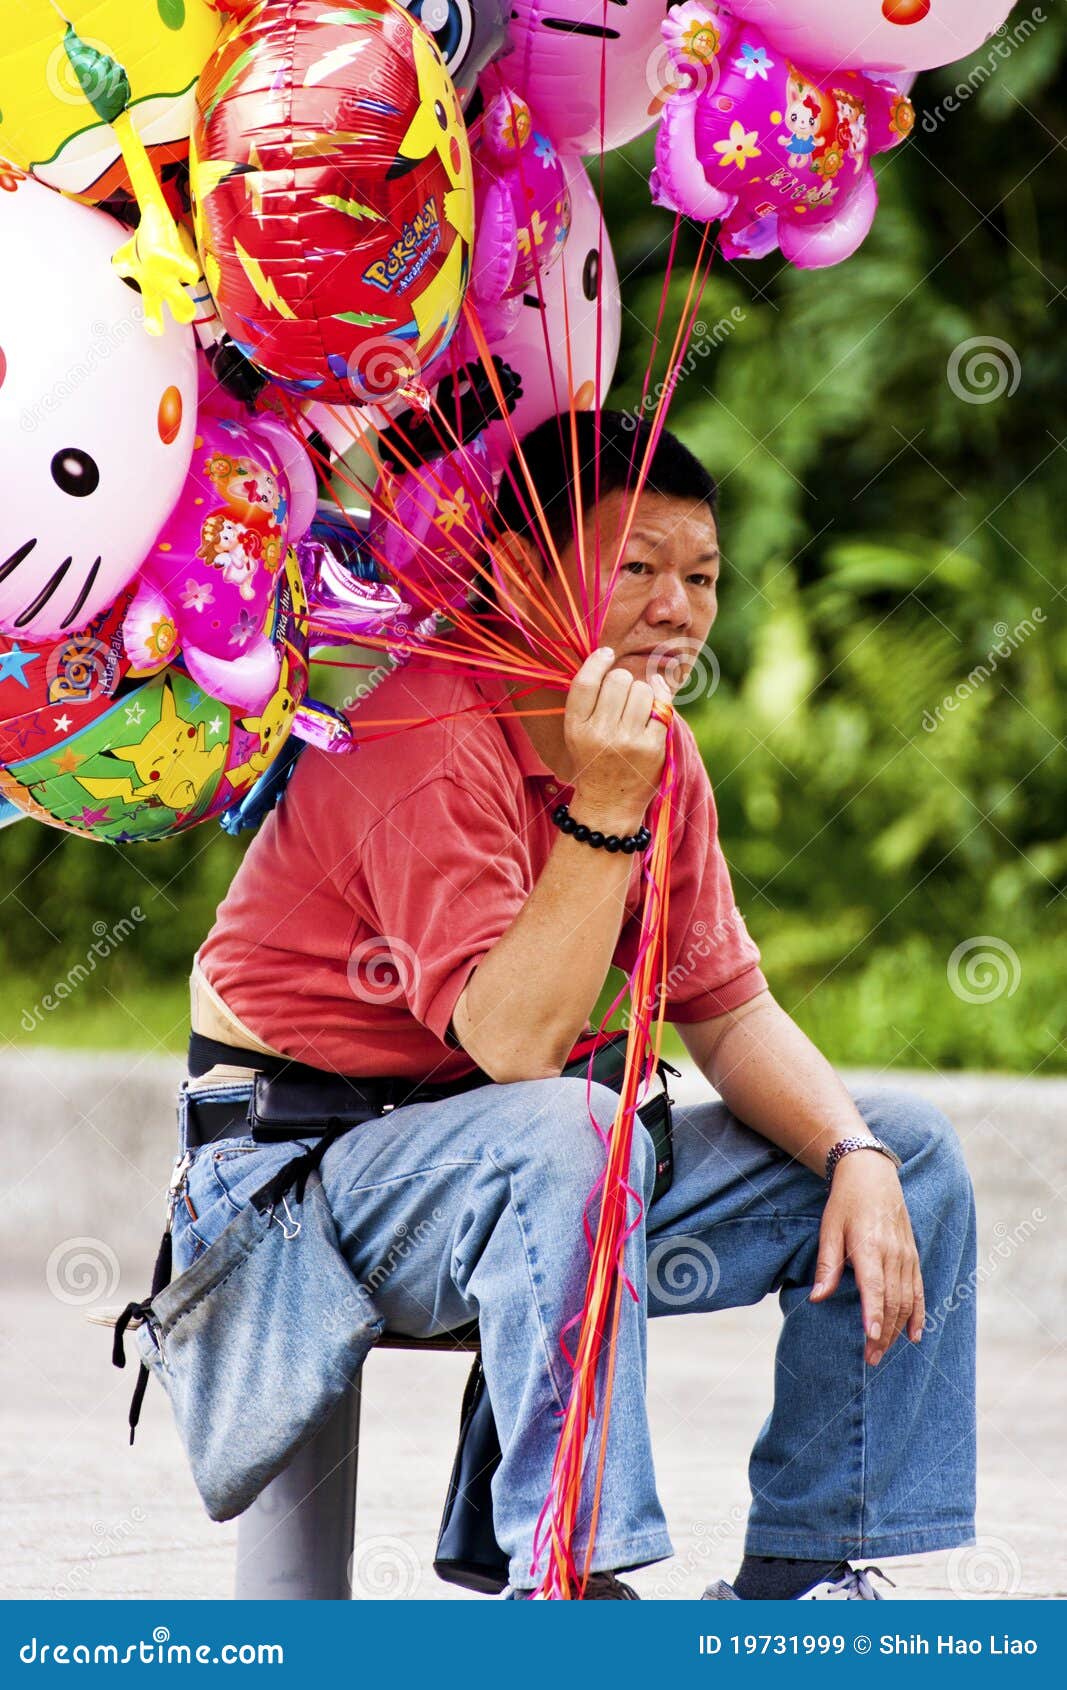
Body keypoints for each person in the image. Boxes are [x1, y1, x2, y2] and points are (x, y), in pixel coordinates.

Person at [177, 409, 977, 1601]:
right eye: (637, 568)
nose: (678, 607)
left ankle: (806, 1578)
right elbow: (517, 1047)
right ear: (517, 571)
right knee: (570, 1128)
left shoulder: (657, 751)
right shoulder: (421, 734)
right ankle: (565, 1578)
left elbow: (729, 1011)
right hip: (303, 1183)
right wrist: (602, 808)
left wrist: (849, 1150)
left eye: (699, 575)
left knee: (904, 1151)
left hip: (527, 1177)